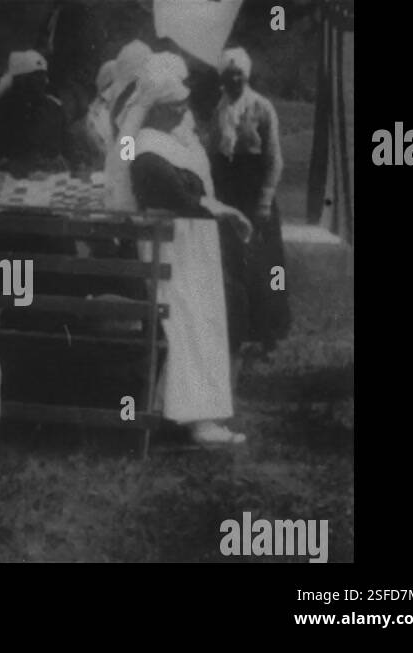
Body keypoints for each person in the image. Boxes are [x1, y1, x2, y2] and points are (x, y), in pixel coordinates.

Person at [124, 63, 254, 445]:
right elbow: (180, 198)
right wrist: (221, 209)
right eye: (177, 106)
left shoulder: (165, 139)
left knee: (200, 322)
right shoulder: (146, 149)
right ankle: (197, 419)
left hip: (187, 246)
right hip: (171, 249)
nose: (184, 112)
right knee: (191, 325)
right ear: (159, 109)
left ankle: (178, 406)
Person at [211, 47, 291, 352]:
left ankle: (270, 333)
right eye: (228, 75)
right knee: (235, 263)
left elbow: (275, 160)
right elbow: (212, 151)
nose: (233, 80)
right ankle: (239, 331)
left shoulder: (262, 107)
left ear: (246, 75)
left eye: (238, 74)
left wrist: (264, 202)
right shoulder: (219, 109)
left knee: (266, 266)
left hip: (255, 192)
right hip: (230, 193)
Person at [0, 50, 69, 177]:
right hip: (14, 183)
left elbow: (68, 146)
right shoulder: (3, 110)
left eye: (44, 76)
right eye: (38, 77)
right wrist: (14, 166)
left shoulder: (54, 108)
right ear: (22, 81)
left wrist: (69, 160)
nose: (46, 81)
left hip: (52, 180)